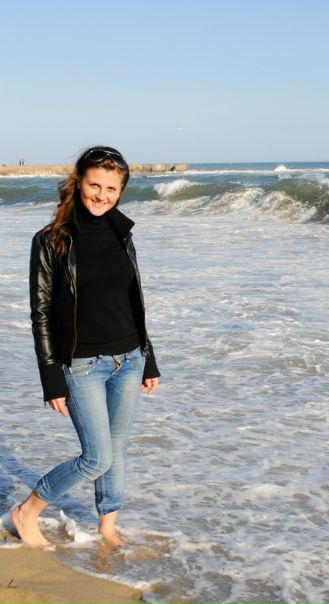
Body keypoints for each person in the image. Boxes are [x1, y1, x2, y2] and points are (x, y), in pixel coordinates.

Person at [11, 146, 160, 548]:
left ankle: (107, 526)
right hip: (81, 365)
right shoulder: (50, 240)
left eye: (111, 188)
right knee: (96, 457)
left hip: (129, 358)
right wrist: (51, 377)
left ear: (121, 191)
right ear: (78, 182)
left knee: (117, 450)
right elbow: (41, 312)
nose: (101, 195)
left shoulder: (122, 233)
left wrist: (148, 359)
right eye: (95, 185)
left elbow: (133, 301)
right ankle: (27, 511)